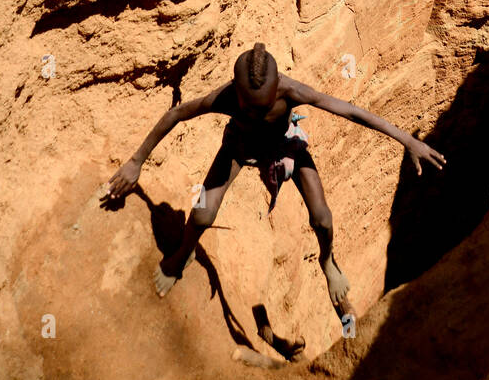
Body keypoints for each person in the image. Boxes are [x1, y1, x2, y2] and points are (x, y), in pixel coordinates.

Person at [106, 42, 446, 325]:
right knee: (201, 215)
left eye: (263, 106)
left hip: (285, 146)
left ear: (277, 88)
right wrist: (136, 162)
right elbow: (176, 114)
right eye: (248, 107)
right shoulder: (224, 98)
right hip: (239, 150)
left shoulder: (292, 91)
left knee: (322, 217)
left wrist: (407, 140)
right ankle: (184, 254)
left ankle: (328, 261)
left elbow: (351, 111)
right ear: (236, 89)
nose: (255, 113)